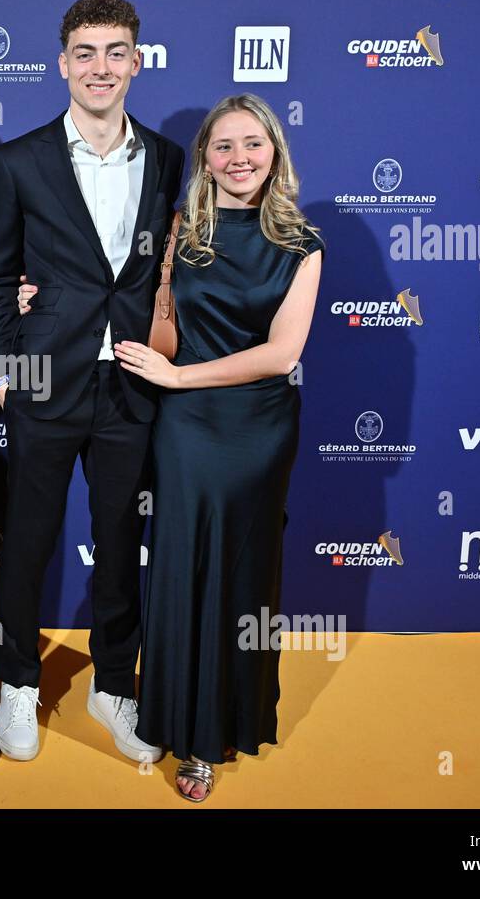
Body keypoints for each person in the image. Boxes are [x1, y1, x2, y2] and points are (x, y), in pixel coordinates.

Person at [0, 0, 184, 762]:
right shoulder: (19, 159)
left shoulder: (167, 158)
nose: (102, 68)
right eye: (87, 53)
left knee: (122, 541)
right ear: (63, 63)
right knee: (28, 543)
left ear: (137, 61)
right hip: (45, 379)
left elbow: (164, 266)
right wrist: (4, 369)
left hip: (131, 382)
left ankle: (114, 688)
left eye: (117, 52)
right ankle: (21, 690)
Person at [114, 93, 322, 801]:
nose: (239, 159)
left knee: (241, 573)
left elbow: (280, 353)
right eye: (224, 146)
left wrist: (180, 376)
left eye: (253, 145)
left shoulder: (303, 244)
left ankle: (228, 721)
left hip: (257, 429)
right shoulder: (183, 232)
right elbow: (165, 329)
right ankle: (182, 728)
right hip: (186, 430)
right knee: (180, 572)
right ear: (205, 156)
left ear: (274, 154)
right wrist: (44, 302)